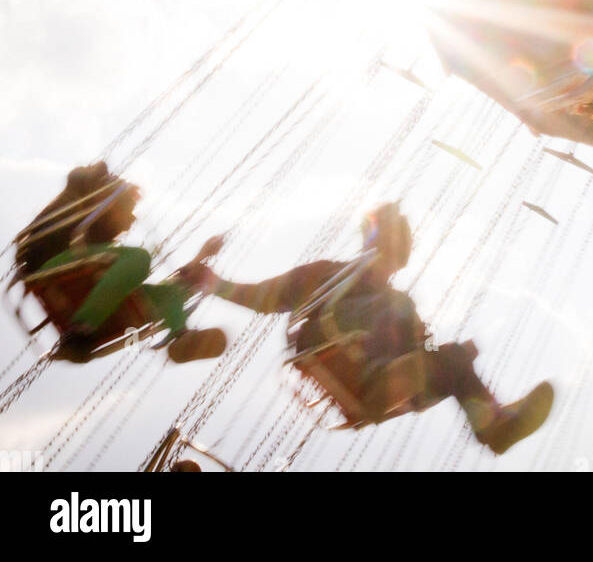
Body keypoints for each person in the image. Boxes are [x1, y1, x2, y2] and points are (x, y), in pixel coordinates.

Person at [190, 202, 554, 455]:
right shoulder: (327, 275)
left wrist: (454, 358)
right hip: (334, 351)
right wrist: (210, 280)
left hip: (380, 383)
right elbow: (261, 297)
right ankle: (488, 425)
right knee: (405, 320)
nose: (386, 266)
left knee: (449, 353)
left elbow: (424, 350)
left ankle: (496, 430)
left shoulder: (401, 305)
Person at [15, 162, 227, 364]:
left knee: (170, 293)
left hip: (84, 277)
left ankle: (182, 337)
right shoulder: (77, 211)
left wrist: (201, 257)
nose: (132, 221)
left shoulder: (94, 246)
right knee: (139, 258)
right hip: (51, 259)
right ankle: (82, 329)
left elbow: (174, 278)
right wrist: (107, 179)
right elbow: (79, 177)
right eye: (129, 211)